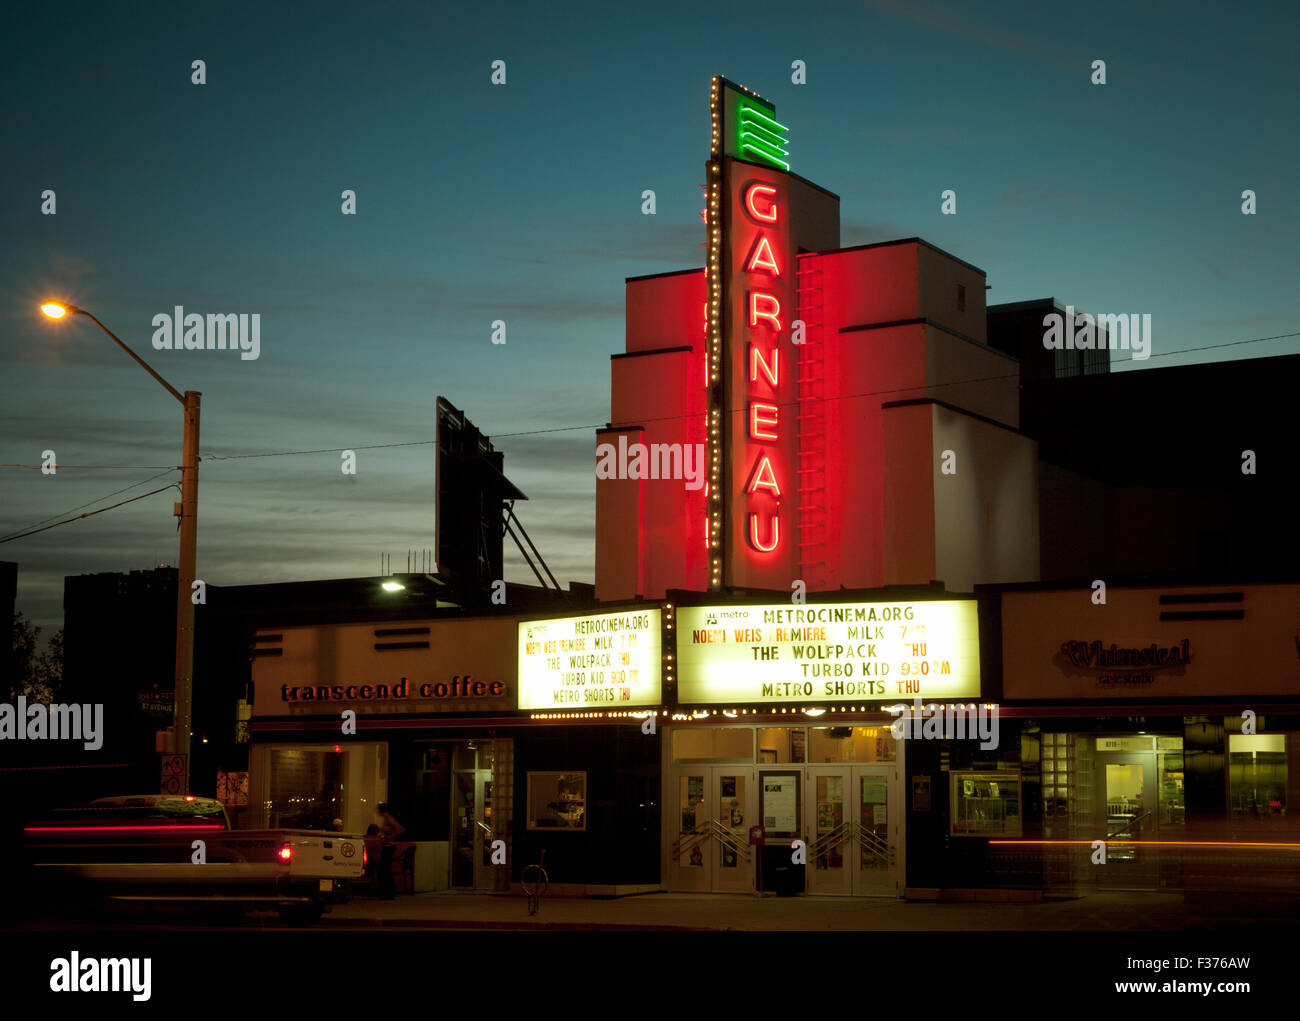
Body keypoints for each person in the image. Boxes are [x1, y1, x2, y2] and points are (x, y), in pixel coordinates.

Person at [376, 803, 406, 899]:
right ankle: (387, 892)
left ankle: (387, 892)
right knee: (385, 869)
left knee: (384, 869)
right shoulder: (387, 818)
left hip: (388, 846)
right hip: (388, 846)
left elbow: (400, 829)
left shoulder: (387, 818)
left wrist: (390, 837)